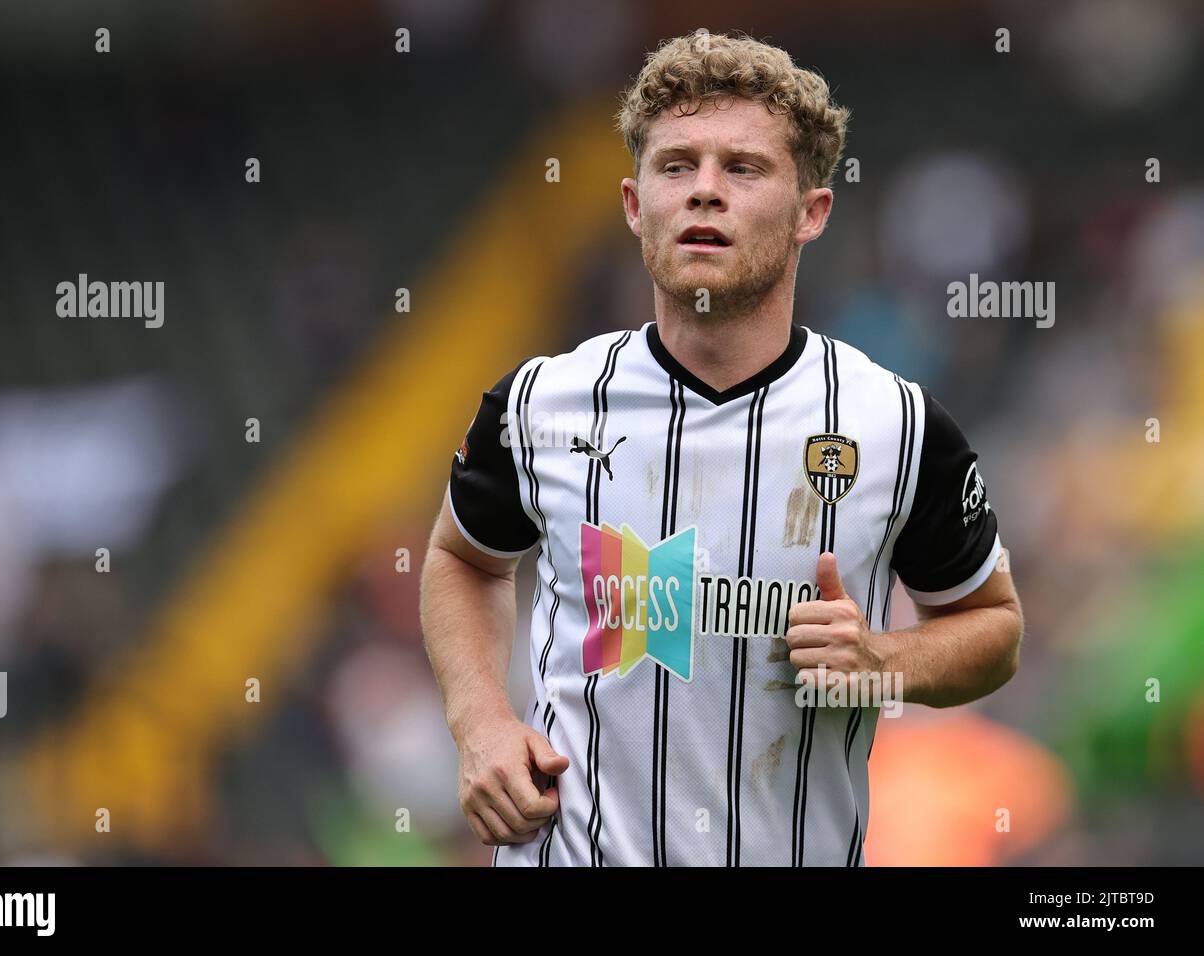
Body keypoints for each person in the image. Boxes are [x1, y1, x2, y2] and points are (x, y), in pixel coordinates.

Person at [420, 31, 1023, 866]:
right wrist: (479, 721)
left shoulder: (897, 426)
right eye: (676, 166)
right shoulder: (541, 402)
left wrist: (882, 660)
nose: (704, 191)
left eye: (742, 168)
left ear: (812, 212)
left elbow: (993, 630)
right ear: (636, 205)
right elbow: (462, 560)